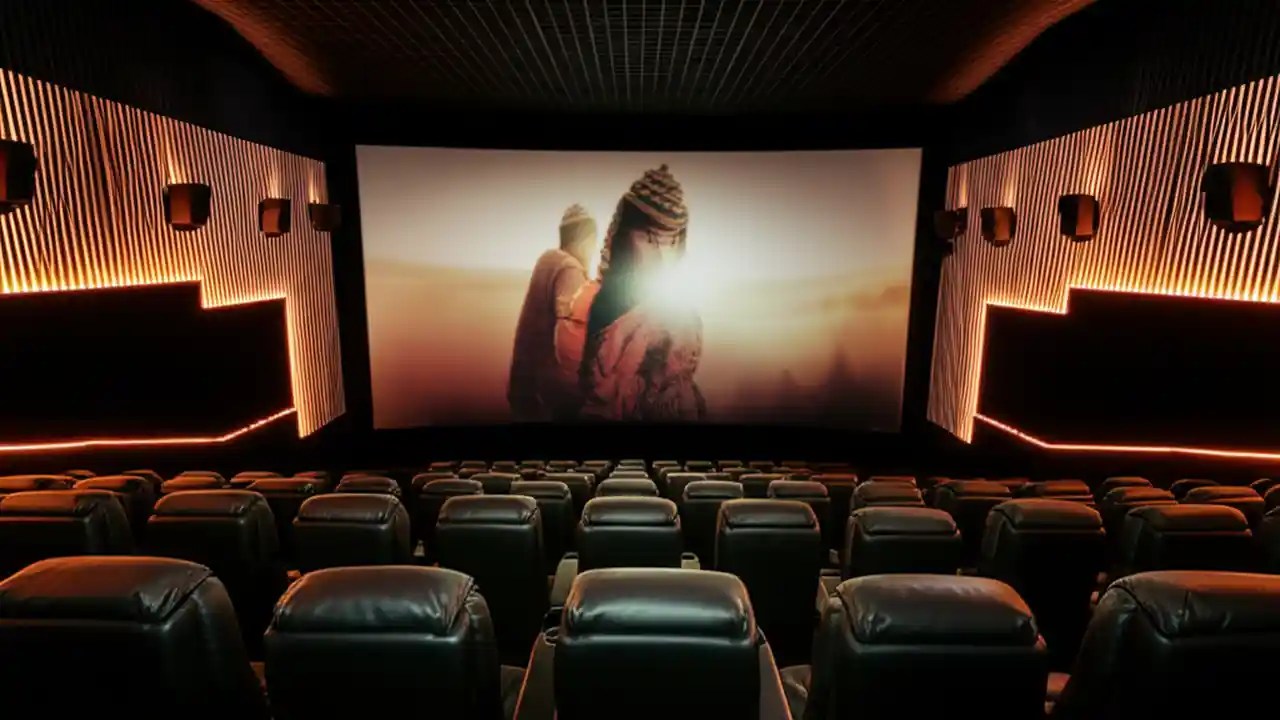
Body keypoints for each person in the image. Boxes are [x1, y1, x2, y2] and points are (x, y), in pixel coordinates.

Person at [578, 164, 706, 421]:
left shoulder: (686, 315)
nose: (661, 255)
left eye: (671, 241)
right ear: (625, 238)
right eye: (649, 239)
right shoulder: (605, 307)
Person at [507, 204, 598, 421]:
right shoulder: (570, 270)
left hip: (524, 387)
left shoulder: (547, 261)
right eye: (593, 243)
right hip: (548, 400)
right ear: (586, 240)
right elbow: (569, 340)